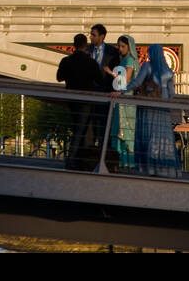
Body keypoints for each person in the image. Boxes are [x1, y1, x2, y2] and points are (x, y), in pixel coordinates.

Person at [116, 44, 179, 177]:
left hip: (149, 106)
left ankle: (149, 168)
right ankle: (165, 169)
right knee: (162, 136)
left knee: (148, 135)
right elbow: (172, 93)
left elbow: (137, 83)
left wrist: (122, 91)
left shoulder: (147, 66)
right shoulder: (168, 71)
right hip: (163, 108)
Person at [56, 33, 104, 170]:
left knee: (78, 128)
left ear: (74, 45)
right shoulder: (91, 62)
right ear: (85, 45)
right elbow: (100, 80)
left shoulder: (66, 61)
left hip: (72, 99)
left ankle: (76, 159)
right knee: (80, 129)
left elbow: (59, 77)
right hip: (86, 100)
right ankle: (73, 159)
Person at [87, 24, 121, 171]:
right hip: (90, 95)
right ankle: (89, 160)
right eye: (90, 34)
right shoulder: (87, 50)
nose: (90, 37)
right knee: (90, 128)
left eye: (93, 34)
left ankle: (103, 161)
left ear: (102, 36)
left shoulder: (113, 52)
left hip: (105, 95)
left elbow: (118, 77)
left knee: (103, 127)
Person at [109, 34, 139, 171]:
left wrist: (119, 92)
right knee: (120, 130)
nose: (120, 49)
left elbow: (126, 80)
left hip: (126, 100)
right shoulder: (124, 59)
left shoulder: (130, 60)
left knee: (126, 132)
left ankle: (127, 162)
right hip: (121, 100)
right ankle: (122, 162)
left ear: (129, 47)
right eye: (119, 46)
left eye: (123, 46)